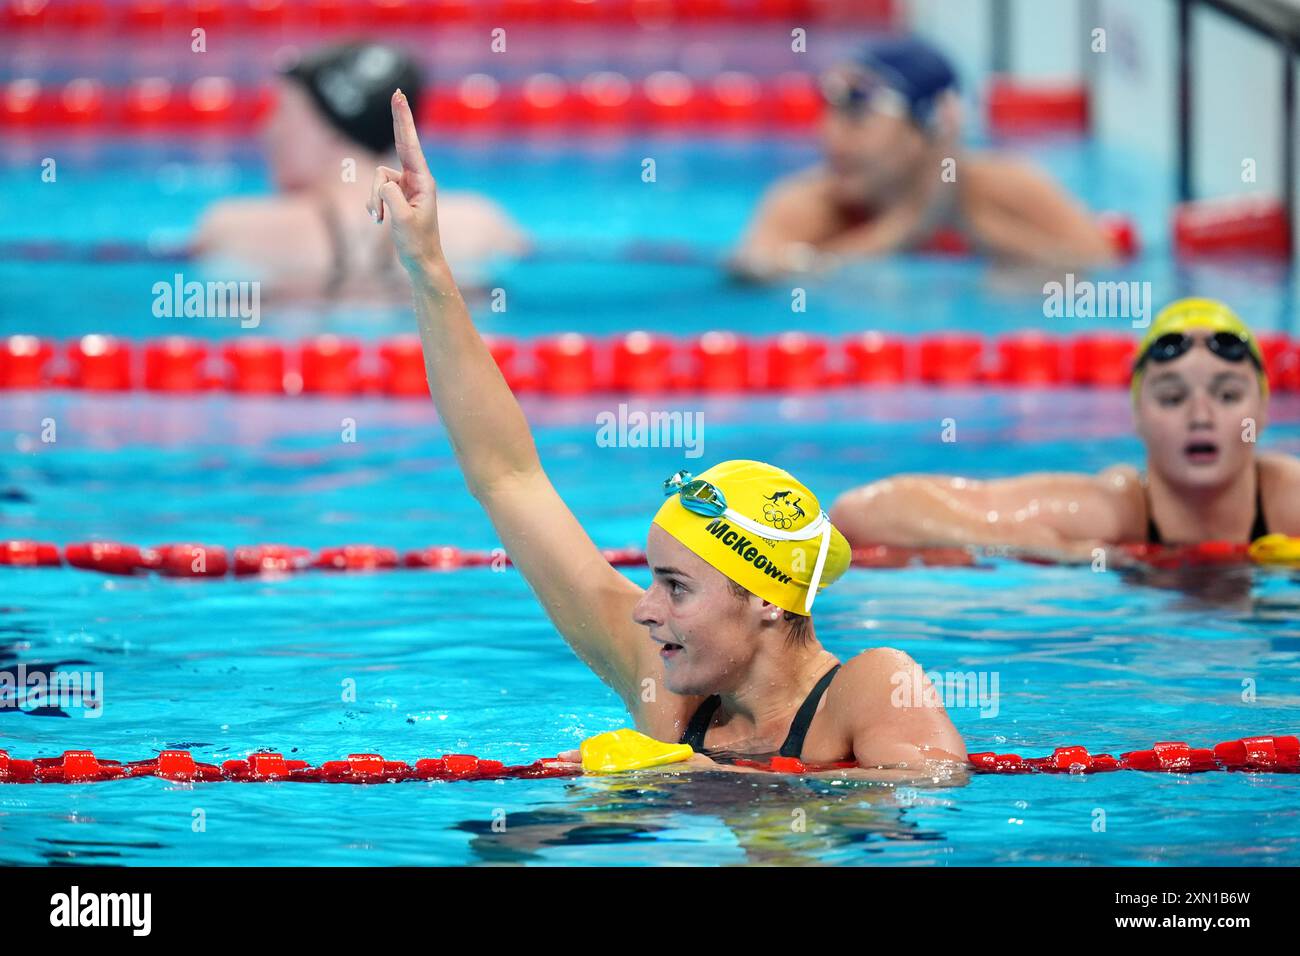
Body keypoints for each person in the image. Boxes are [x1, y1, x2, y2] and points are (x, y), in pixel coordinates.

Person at [369, 88, 966, 779]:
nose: (646, 611)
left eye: (676, 587)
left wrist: (690, 776)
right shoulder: (669, 692)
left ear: (767, 598)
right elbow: (507, 477)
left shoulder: (866, 687)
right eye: (656, 581)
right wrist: (429, 270)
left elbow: (933, 783)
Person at [830, 298, 1300, 553]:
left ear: (1262, 412)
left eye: (1227, 395)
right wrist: (1035, 542)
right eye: (1173, 397)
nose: (1201, 417)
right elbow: (864, 512)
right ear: (1137, 415)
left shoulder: (1287, 499)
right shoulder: (1112, 509)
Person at [730, 36, 1118, 279]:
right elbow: (755, 274)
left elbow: (1105, 271)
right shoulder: (804, 204)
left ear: (928, 129)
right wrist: (903, 229)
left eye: (857, 117)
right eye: (827, 113)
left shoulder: (1007, 187)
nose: (829, 135)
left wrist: (979, 232)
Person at [194, 41, 526, 298]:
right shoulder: (481, 225)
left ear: (329, 124)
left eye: (281, 111)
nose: (265, 129)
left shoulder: (233, 229)